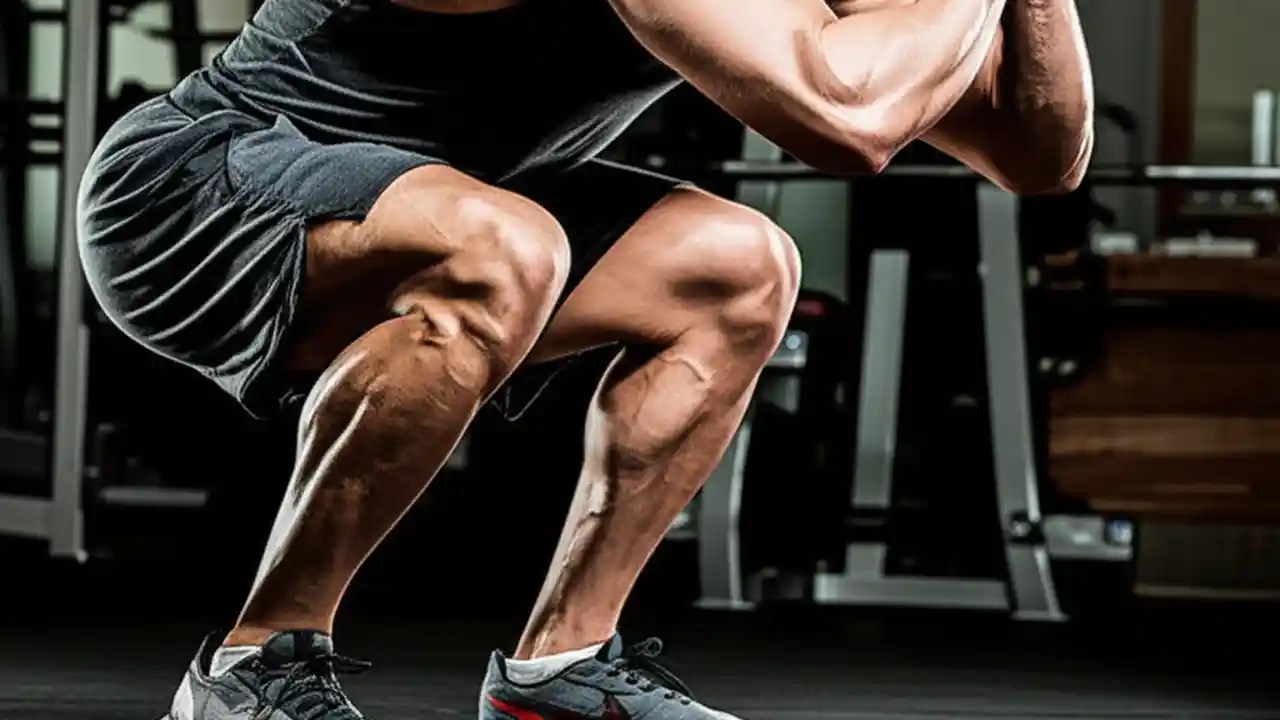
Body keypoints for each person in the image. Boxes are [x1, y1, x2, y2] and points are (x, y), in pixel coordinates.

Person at [77, 0, 1093, 718]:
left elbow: (1036, 157)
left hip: (447, 209)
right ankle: (253, 667)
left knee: (739, 267)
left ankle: (557, 674)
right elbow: (847, 122)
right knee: (505, 245)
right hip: (192, 188)